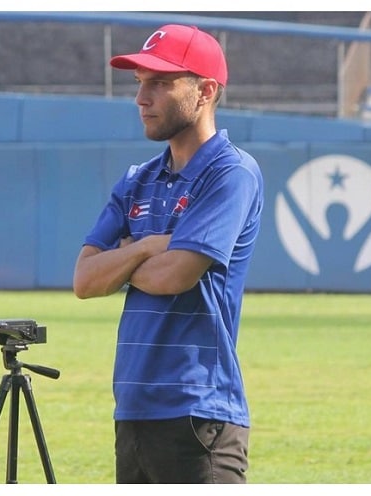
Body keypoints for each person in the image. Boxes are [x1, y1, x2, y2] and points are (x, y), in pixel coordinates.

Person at [72, 24, 264, 484]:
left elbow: (175, 275)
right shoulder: (137, 179)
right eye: (140, 83)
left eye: (160, 83)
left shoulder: (231, 173)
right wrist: (146, 247)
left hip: (199, 414)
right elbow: (83, 281)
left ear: (205, 92)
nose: (142, 98)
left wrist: (120, 261)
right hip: (133, 408)